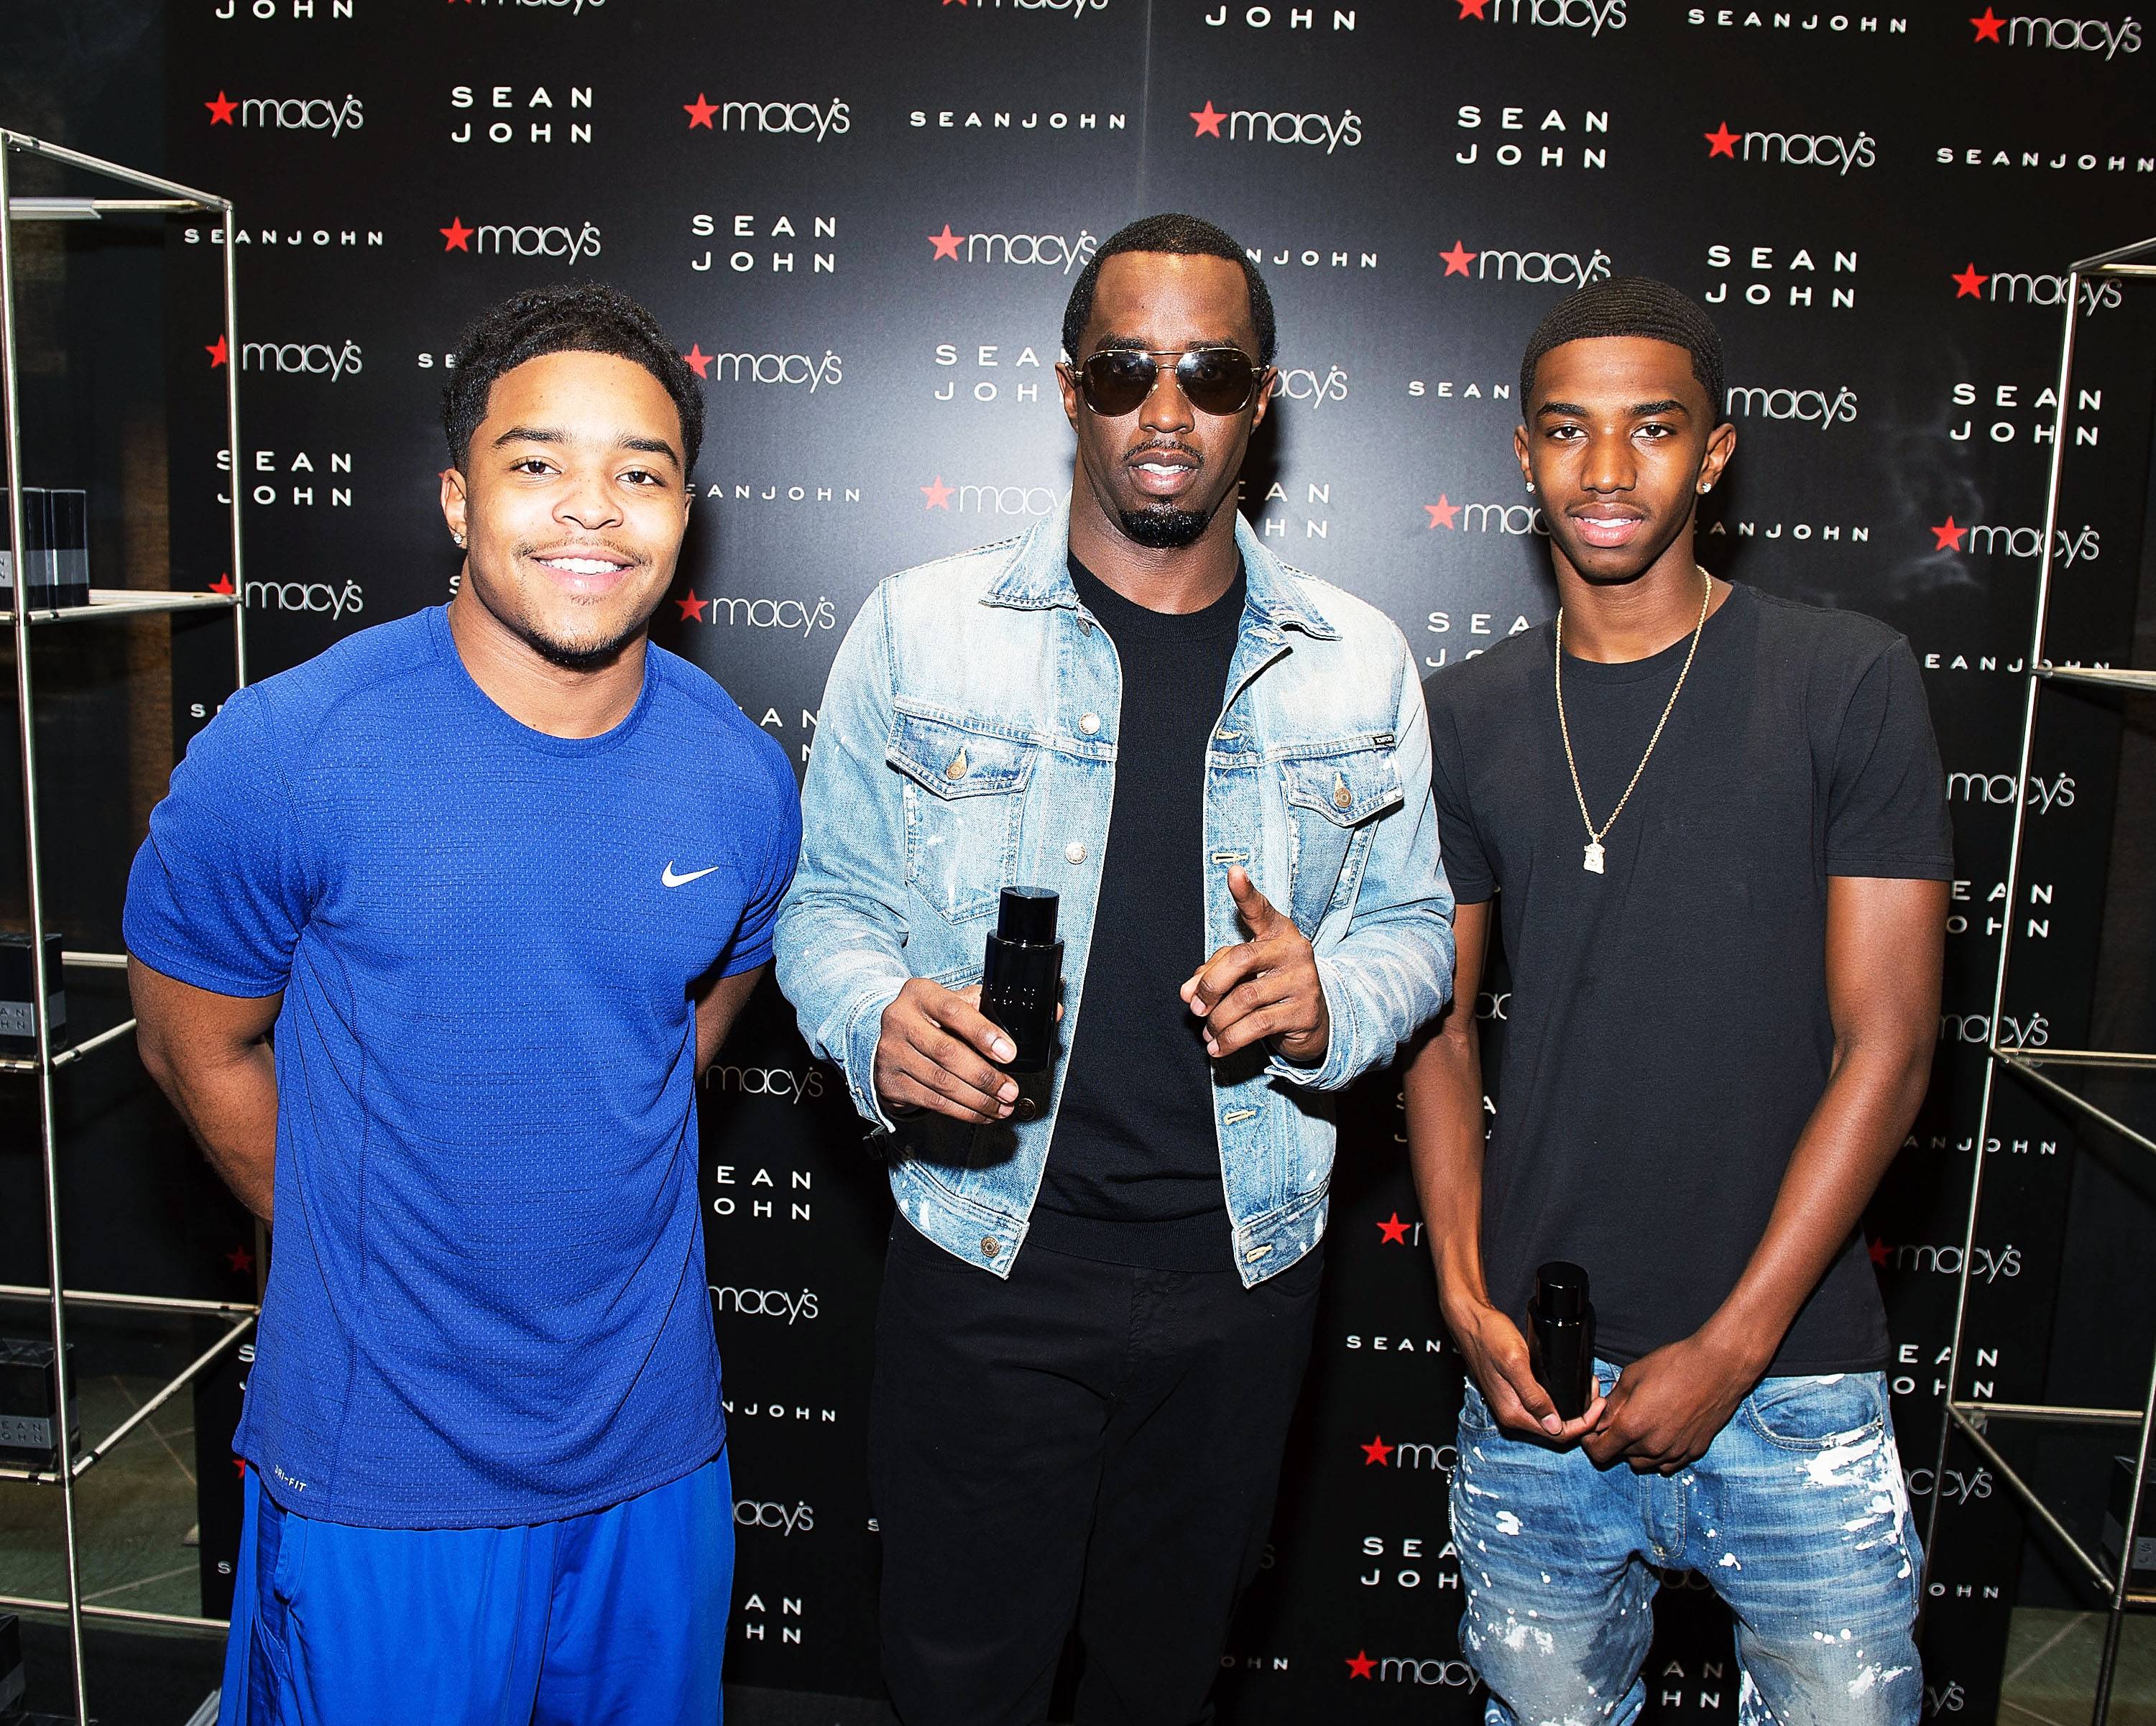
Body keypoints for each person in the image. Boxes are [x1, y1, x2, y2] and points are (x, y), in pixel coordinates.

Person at [775, 212, 1455, 1725]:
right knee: (958, 1691)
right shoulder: (921, 629)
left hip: (1242, 1280)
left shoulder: (1358, 661)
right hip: (985, 1263)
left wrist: (1334, 1003)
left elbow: (1419, 931)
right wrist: (875, 1018)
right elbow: (827, 908)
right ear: (1065, 387)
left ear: (1260, 400)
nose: (1164, 411)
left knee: (1161, 1692)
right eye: (1123, 369)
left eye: (1207, 374)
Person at [124, 282, 798, 1726]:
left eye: (640, 473)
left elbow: (700, 1010)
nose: (591, 508)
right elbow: (194, 1046)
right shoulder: (292, 750)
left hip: (655, 1457)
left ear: (685, 516)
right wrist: (361, 1246)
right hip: (383, 1465)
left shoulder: (740, 777)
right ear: (457, 498)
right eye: (536, 462)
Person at [1404, 276, 1951, 1726]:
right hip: (1537, 1390)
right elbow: (1439, 1029)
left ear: (1714, 454)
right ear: (1522, 453)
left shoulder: (1846, 680)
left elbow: (1889, 1048)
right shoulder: (1462, 713)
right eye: (1566, 430)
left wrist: (1735, 1342)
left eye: (1651, 428)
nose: (1605, 468)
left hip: (1793, 1380)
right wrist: (1462, 1295)